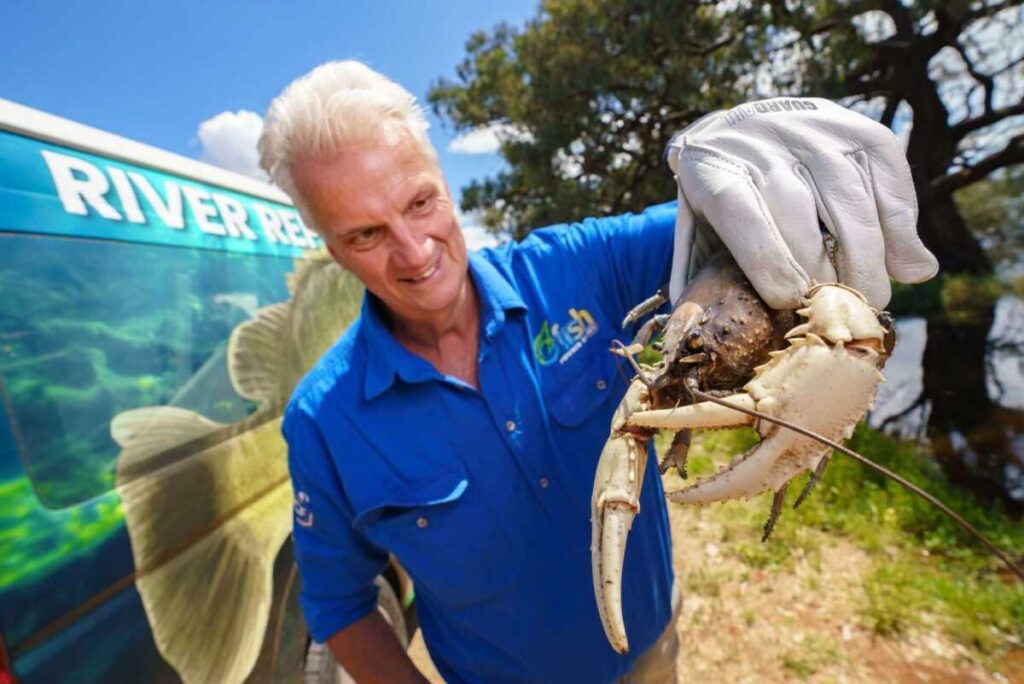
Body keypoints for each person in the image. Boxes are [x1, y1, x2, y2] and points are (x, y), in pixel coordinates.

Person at [258, 61, 937, 684]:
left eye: (420, 203)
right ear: (329, 247)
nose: (413, 253)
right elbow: (339, 604)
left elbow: (732, 224)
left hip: (652, 647)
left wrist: (752, 158)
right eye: (365, 234)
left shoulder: (580, 266)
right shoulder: (323, 420)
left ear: (445, 182)